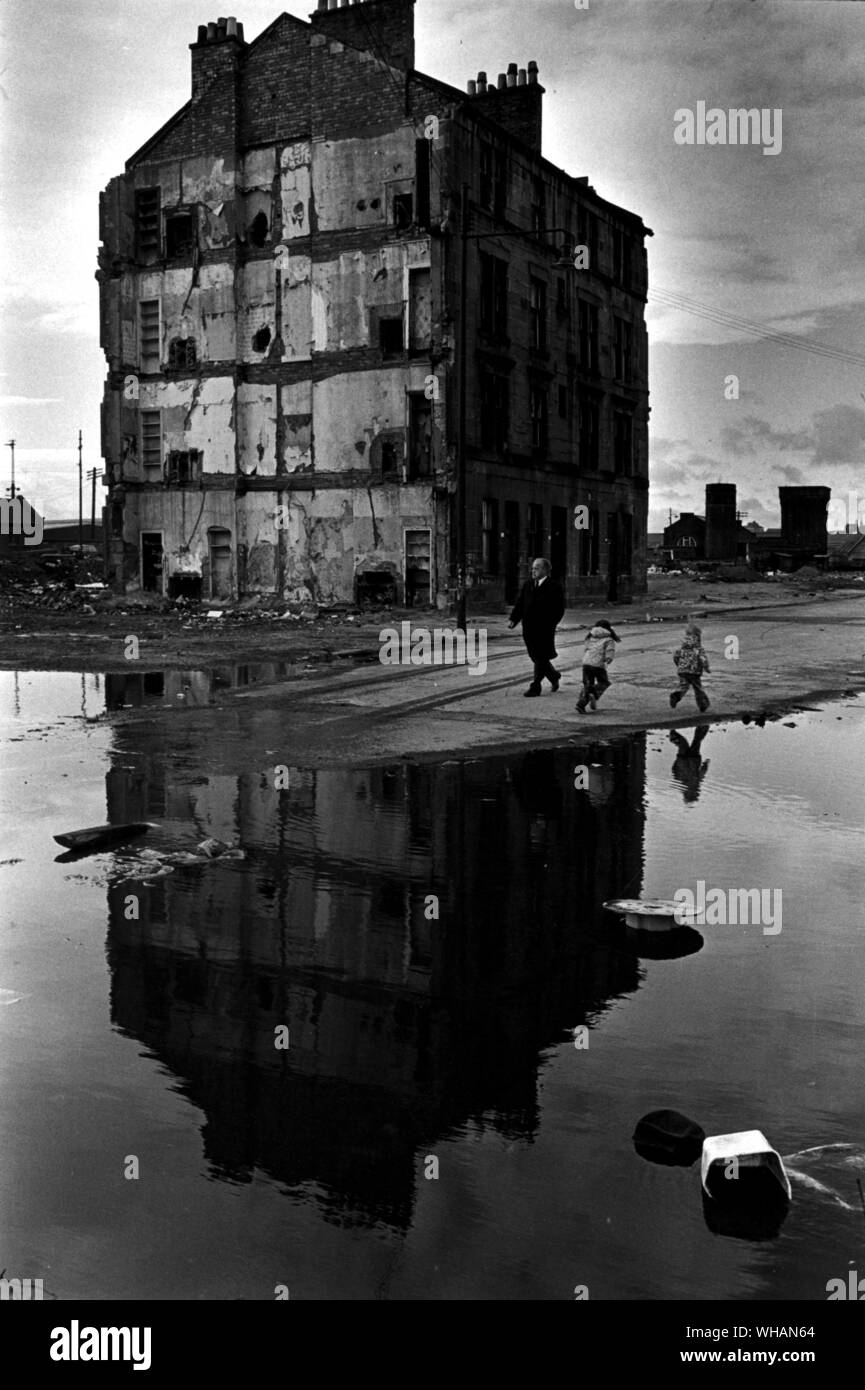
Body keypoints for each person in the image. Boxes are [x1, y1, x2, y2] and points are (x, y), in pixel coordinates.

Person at [508, 557, 566, 697]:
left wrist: (550, 624)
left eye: (537, 568)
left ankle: (535, 686)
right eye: (533, 568)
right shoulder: (528, 584)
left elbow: (559, 609)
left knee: (540, 657)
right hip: (528, 627)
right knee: (536, 656)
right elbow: (520, 603)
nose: (533, 571)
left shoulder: (554, 586)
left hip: (544, 629)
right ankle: (553, 676)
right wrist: (514, 619)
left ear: (546, 570)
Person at [575, 618, 620, 712]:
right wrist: (609, 658)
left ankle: (581, 704)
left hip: (586, 663)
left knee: (587, 684)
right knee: (603, 682)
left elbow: (586, 648)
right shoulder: (609, 638)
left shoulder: (590, 635)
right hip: (598, 664)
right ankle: (593, 694)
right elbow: (610, 650)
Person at [671, 623, 711, 712]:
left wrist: (679, 665)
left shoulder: (683, 647)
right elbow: (703, 658)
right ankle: (703, 704)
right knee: (698, 688)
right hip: (694, 671)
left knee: (683, 686)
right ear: (698, 636)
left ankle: (677, 695)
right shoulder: (698, 648)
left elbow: (676, 656)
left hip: (682, 671)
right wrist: (706, 667)